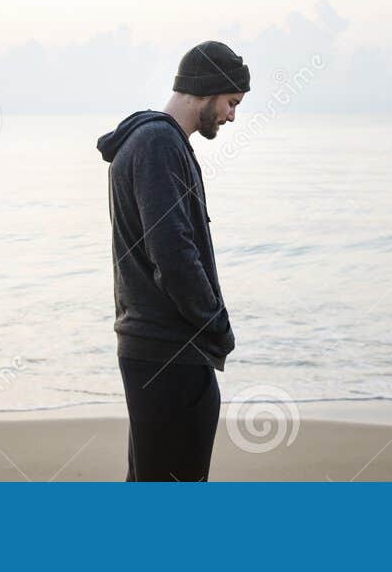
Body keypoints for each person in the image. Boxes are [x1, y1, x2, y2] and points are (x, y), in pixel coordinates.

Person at [96, 40, 249, 481]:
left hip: (159, 347)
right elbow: (173, 251)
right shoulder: (158, 142)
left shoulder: (152, 142)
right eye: (231, 102)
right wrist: (216, 324)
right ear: (206, 88)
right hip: (170, 350)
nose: (232, 116)